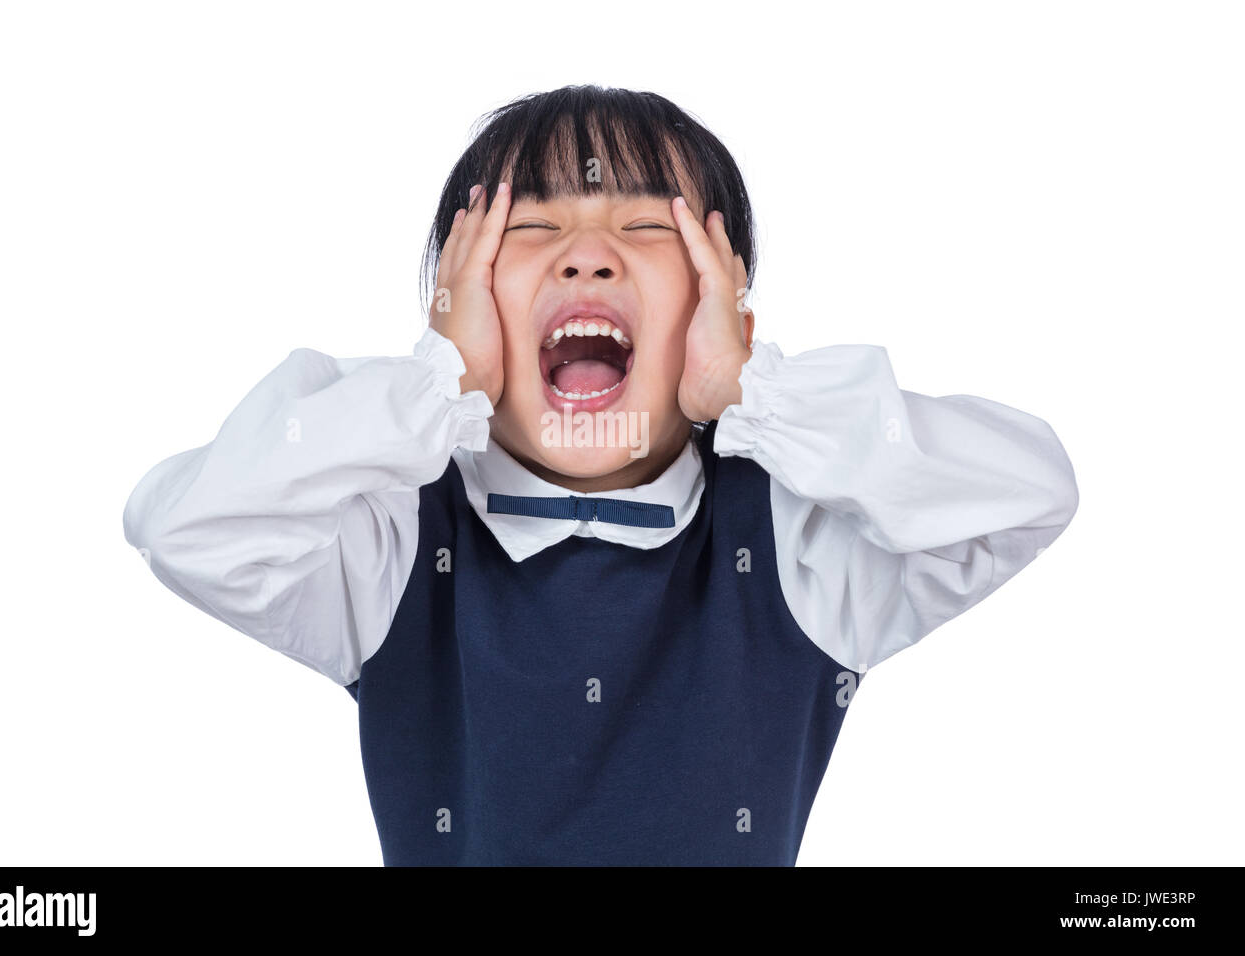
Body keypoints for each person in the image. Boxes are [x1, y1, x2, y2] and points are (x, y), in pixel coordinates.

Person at [122, 85, 1080, 865]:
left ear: (724, 310)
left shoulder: (801, 550)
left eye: (647, 228)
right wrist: (432, 384)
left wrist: (759, 395)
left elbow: (1029, 492)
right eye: (529, 227)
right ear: (460, 308)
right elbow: (187, 527)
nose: (588, 257)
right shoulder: (393, 547)